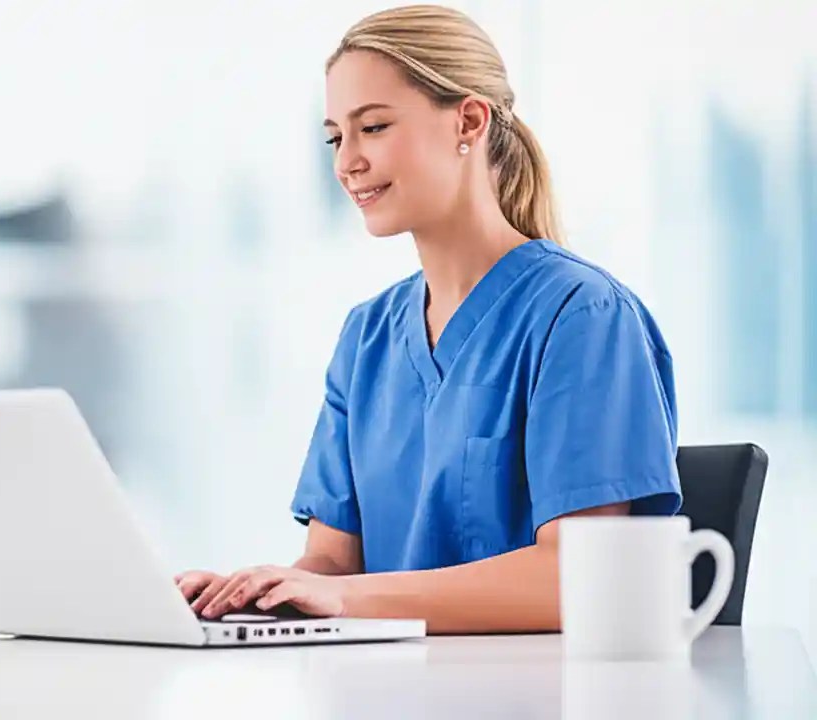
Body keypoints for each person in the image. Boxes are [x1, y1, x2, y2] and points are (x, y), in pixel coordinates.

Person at [175, 4, 681, 634]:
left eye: (375, 127)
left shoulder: (583, 317)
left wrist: (349, 599)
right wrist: (260, 593)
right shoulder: (367, 337)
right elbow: (334, 562)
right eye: (336, 137)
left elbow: (575, 581)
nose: (346, 162)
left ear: (468, 120)